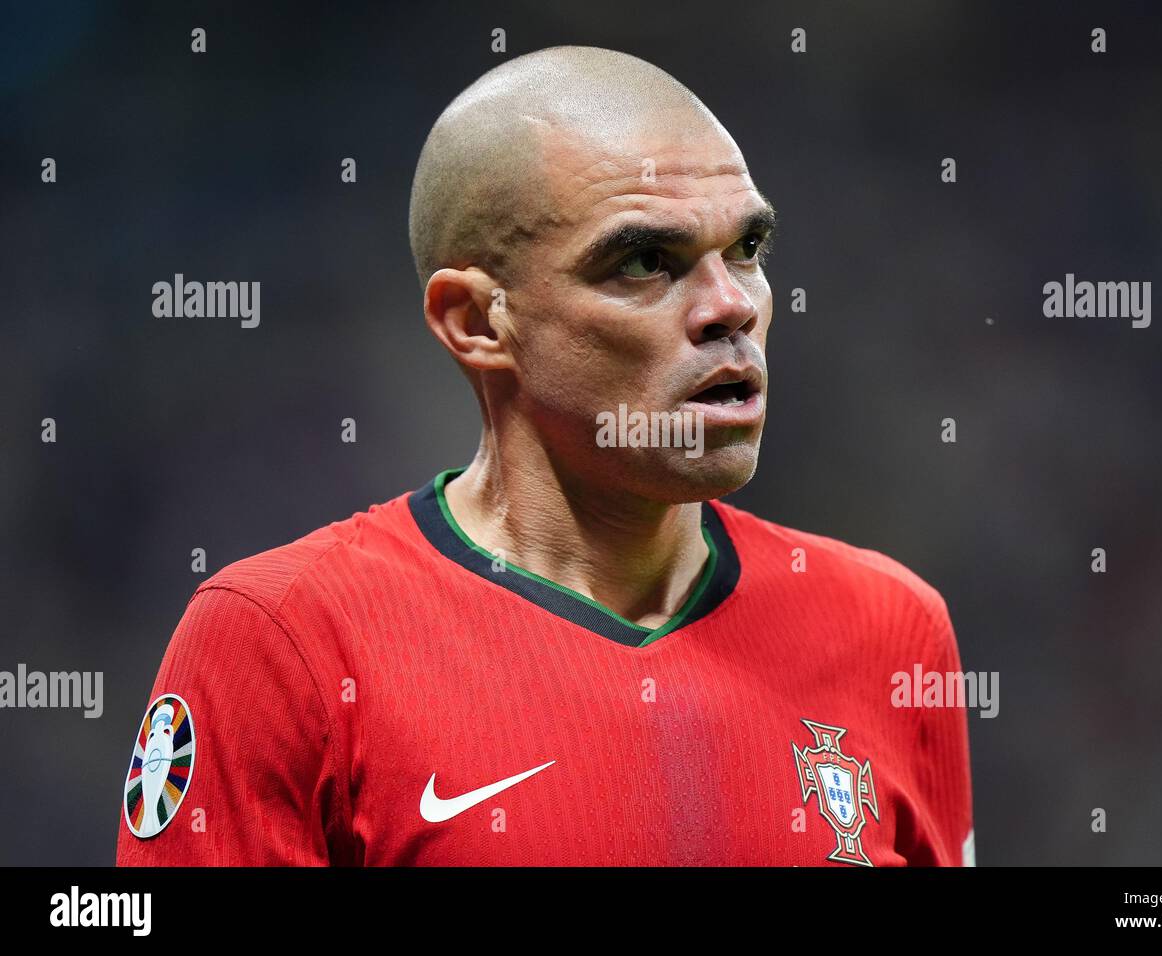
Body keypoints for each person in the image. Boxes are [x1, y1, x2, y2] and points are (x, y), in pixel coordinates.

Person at [117, 45, 973, 867]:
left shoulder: (893, 630)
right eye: (646, 261)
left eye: (747, 250)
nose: (730, 307)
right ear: (477, 323)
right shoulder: (282, 644)